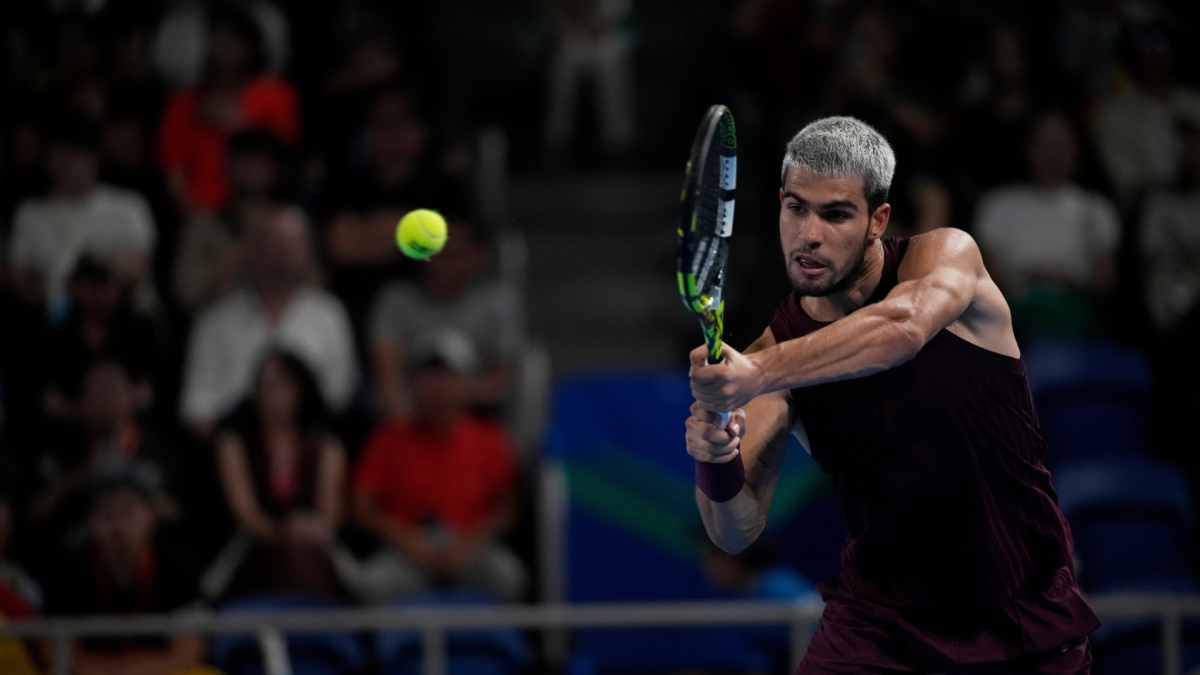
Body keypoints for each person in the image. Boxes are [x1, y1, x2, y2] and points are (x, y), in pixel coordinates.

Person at [686, 117, 1098, 674]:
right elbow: (735, 531)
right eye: (796, 209)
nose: (809, 234)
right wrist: (715, 460)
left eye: (835, 214)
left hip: (1019, 615)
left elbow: (903, 329)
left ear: (878, 219)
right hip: (880, 630)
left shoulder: (947, 256)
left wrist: (755, 372)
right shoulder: (775, 356)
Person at [350, 330, 525, 602]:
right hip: (408, 548)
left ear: (466, 382)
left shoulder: (491, 438)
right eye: (428, 374)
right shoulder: (389, 438)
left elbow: (507, 509)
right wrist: (408, 541)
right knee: (370, 585)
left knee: (509, 578)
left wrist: (467, 545)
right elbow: (362, 507)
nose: (437, 385)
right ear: (413, 383)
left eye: (447, 375)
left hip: (468, 547)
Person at [179, 203, 357, 437]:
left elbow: (339, 394)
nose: (281, 252)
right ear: (252, 249)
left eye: (290, 243)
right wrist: (228, 450)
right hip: (231, 446)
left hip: (307, 447)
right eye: (271, 242)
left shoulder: (329, 314)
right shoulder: (215, 321)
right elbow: (195, 404)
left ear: (309, 252)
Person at [43, 462, 211, 675]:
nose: (118, 526)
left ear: (152, 515)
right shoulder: (66, 570)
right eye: (106, 514)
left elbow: (188, 653)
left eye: (128, 512)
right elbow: (57, 657)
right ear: (90, 519)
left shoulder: (179, 566)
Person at [207, 351, 346, 599]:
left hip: (312, 542)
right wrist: (285, 535)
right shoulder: (233, 444)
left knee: (329, 567)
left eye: (282, 385)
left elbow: (330, 515)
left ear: (301, 390)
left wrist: (306, 531)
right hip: (256, 544)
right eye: (265, 386)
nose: (273, 397)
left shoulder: (326, 447)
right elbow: (246, 513)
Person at [974, 111, 1120, 340]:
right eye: (1045, 143)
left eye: (1062, 144)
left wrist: (1068, 280)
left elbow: (1106, 281)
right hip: (1014, 316)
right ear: (1029, 148)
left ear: (1077, 150)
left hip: (1077, 314)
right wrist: (1033, 277)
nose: (1053, 154)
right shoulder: (998, 205)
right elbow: (988, 275)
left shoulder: (1095, 208)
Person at [369, 215, 523, 420]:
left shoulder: (499, 304)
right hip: (409, 422)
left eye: (452, 255)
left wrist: (449, 393)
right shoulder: (396, 299)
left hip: (475, 423)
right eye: (434, 251)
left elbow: (501, 382)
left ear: (478, 257)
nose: (440, 263)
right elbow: (388, 381)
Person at [157, 5, 299, 215]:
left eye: (233, 41)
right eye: (217, 40)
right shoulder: (182, 104)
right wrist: (197, 218)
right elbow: (174, 176)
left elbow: (286, 161)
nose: (223, 50)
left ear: (250, 47)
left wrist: (235, 124)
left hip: (265, 211)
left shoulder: (277, 96)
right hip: (201, 213)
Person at [9, 117, 156, 319]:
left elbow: (138, 269)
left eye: (74, 153)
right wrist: (53, 300)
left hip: (122, 319)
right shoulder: (30, 212)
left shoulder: (130, 205)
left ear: (95, 157)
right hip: (57, 324)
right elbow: (18, 278)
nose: (65, 163)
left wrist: (92, 270)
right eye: (57, 153)